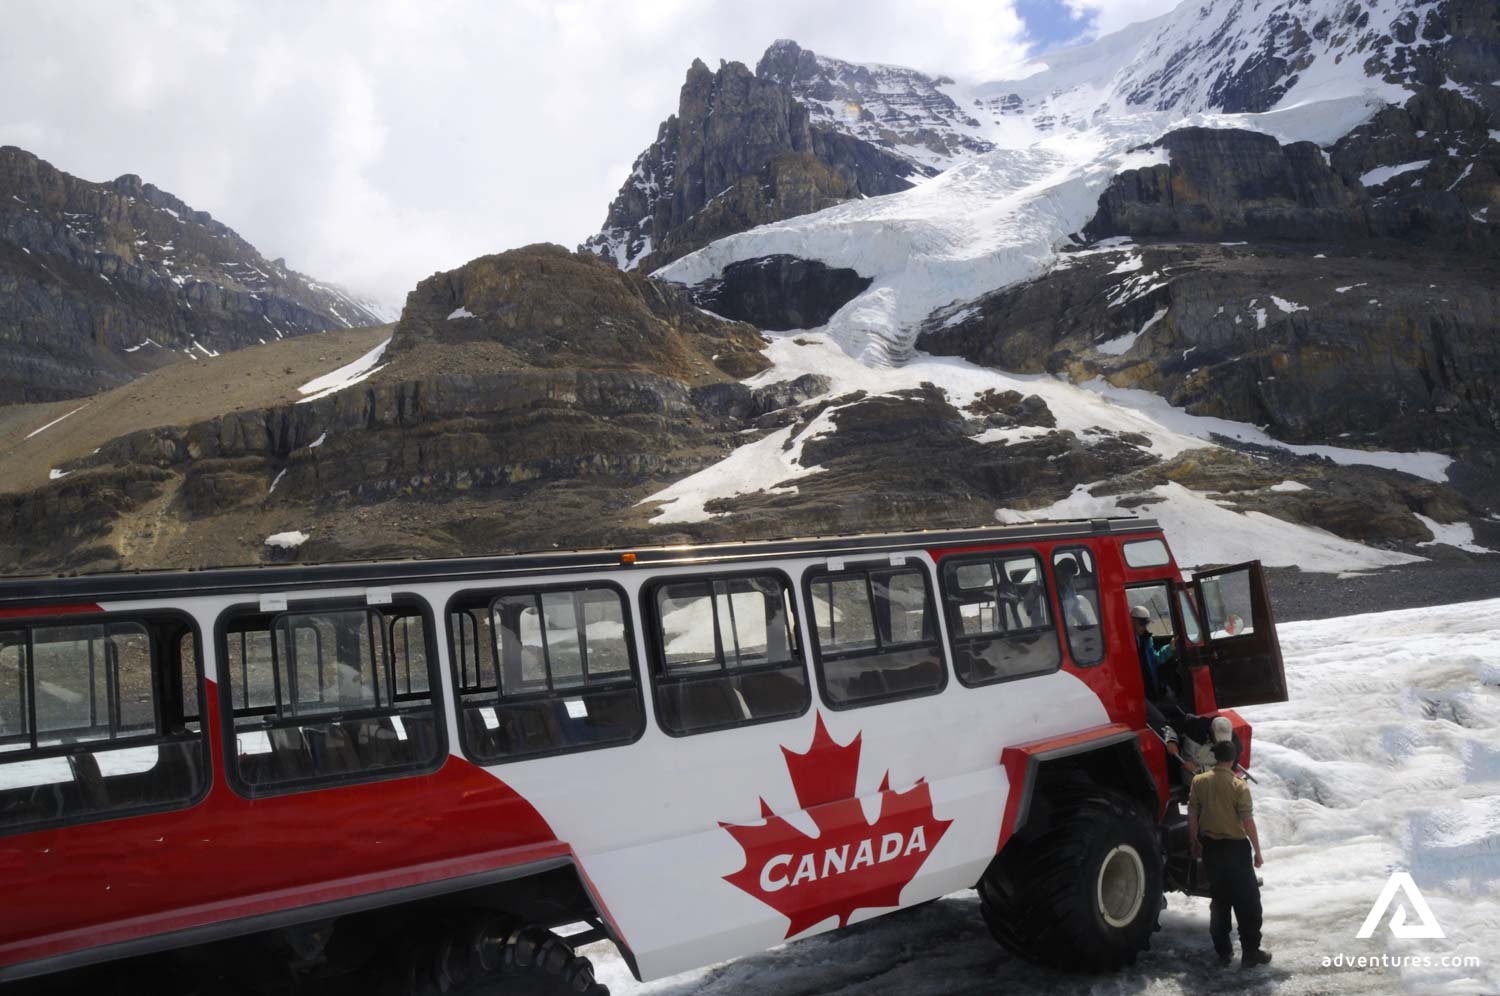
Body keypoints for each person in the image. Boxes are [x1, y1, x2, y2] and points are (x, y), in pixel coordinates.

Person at [1189, 740, 1271, 968]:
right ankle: (1251, 952)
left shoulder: (1199, 781)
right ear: (1233, 759)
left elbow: (1193, 814)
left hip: (1211, 849)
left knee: (1220, 901)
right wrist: (1258, 852)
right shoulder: (1239, 785)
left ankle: (1223, 953)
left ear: (1216, 758)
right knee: (1248, 902)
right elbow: (1248, 821)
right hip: (1235, 849)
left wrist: (1194, 841)